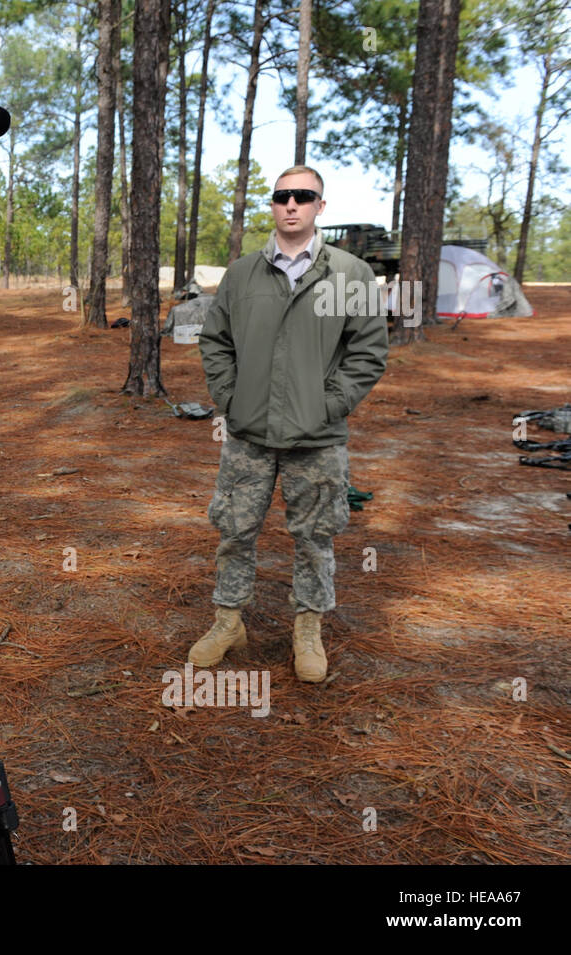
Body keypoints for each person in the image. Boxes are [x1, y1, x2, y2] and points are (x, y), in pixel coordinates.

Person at [193, 165, 387, 682]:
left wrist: (327, 404)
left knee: (315, 537)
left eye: (304, 196)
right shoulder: (242, 274)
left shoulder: (352, 275)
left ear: (321, 206)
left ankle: (308, 630)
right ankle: (228, 621)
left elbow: (369, 352)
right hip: (248, 434)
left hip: (317, 437)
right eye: (283, 196)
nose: (292, 204)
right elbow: (215, 341)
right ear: (273, 205)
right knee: (234, 531)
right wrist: (232, 398)